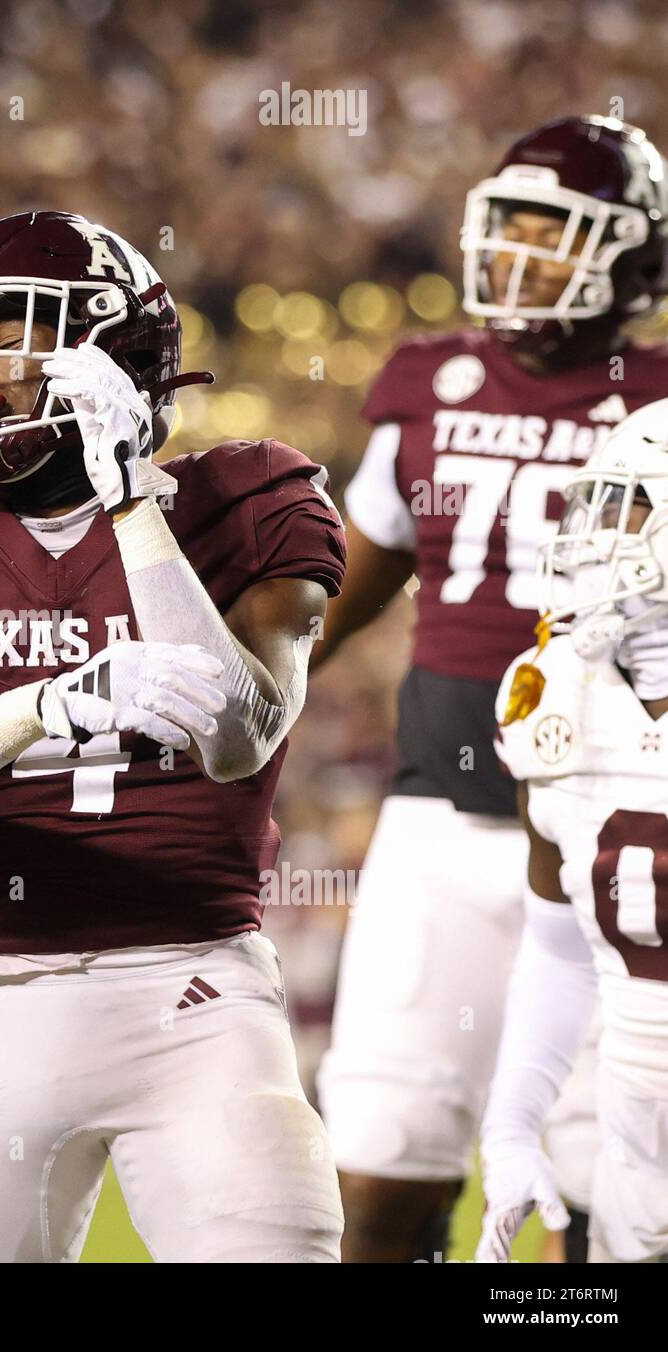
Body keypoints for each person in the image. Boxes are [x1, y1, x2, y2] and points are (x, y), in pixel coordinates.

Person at [0, 210, 347, 1262]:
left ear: (111, 349)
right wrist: (42, 706)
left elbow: (239, 733)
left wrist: (127, 503)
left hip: (195, 991)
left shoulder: (248, 489)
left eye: (4, 341)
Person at [312, 115, 668, 1262]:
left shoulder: (658, 396)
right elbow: (344, 584)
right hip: (439, 812)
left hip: (609, 821)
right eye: (508, 228)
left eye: (555, 233)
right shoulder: (427, 376)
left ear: (632, 256)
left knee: (609, 1201)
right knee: (376, 1170)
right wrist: (245, 691)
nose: (522, 257)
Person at [480, 399, 668, 1264]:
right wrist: (513, 1125)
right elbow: (559, 949)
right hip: (636, 1132)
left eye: (630, 507)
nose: (596, 536)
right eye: (597, 506)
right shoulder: (553, 692)